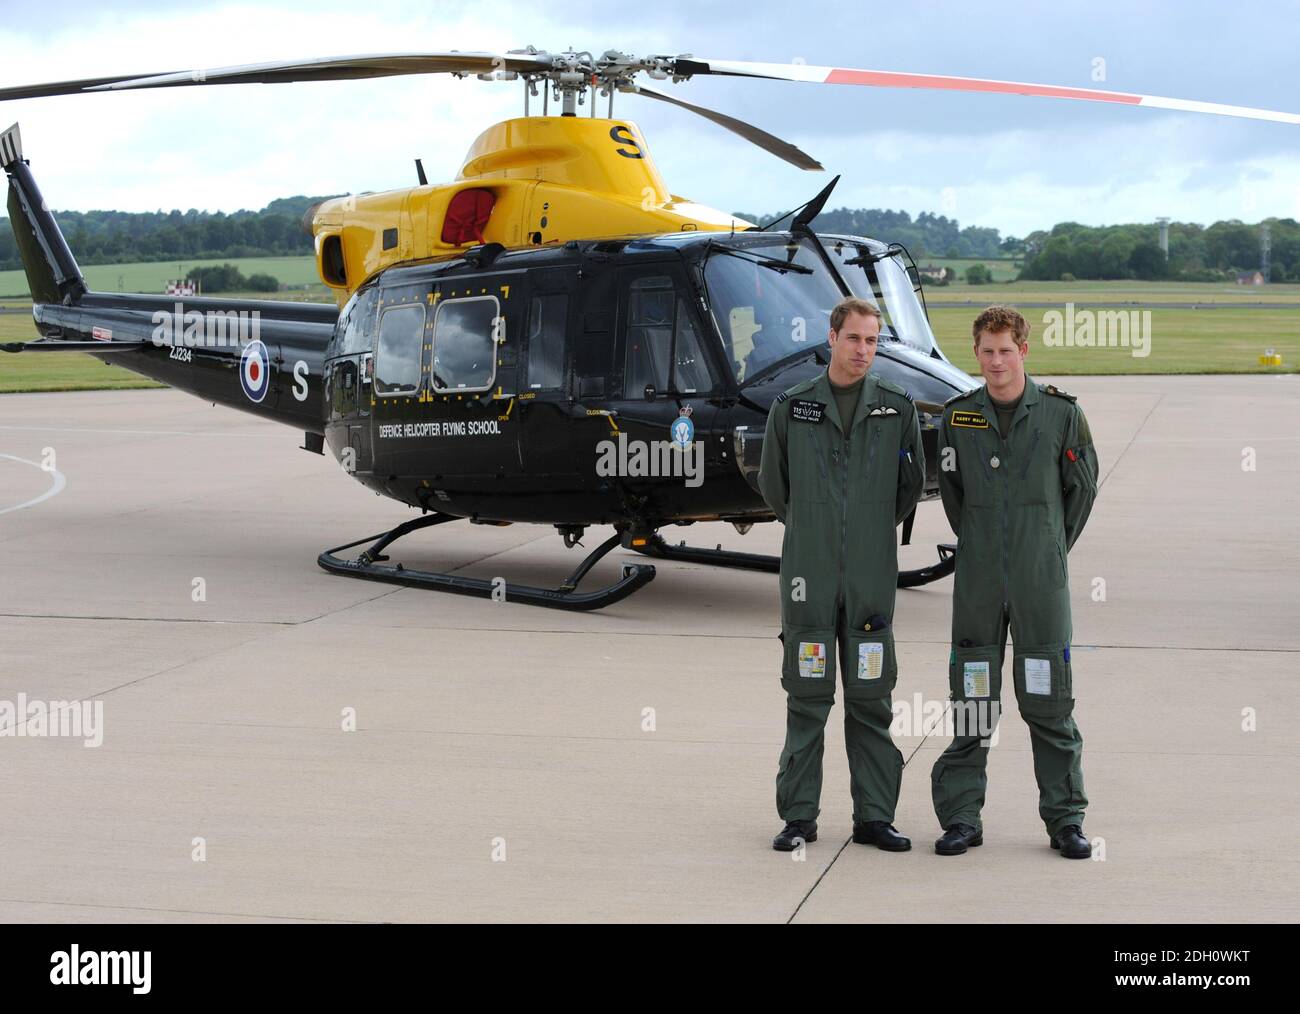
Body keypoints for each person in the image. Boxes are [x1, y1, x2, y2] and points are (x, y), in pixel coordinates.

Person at [930, 305, 1100, 858]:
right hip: (977, 582)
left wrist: (1047, 546)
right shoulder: (958, 418)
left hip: (1039, 584)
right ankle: (961, 819)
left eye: (1006, 350)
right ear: (975, 353)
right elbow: (954, 495)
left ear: (1023, 351)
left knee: (1050, 704)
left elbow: (1082, 490)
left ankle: (1065, 821)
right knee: (973, 698)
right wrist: (984, 544)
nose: (996, 361)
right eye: (986, 351)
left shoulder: (1060, 415)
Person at [758, 297, 925, 852]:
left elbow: (909, 488)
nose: (863, 351)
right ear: (831, 338)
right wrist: (816, 528)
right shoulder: (793, 407)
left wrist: (867, 528)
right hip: (808, 573)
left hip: (871, 578)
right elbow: (775, 489)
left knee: (872, 697)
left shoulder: (896, 409)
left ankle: (875, 817)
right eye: (854, 339)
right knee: (806, 698)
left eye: (873, 341)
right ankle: (799, 817)